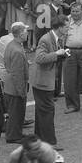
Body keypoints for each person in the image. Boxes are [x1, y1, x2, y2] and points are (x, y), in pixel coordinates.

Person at [28, 18, 65, 146]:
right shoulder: (45, 39)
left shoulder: (55, 38)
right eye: (66, 27)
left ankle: (39, 139)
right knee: (47, 111)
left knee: (42, 111)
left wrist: (62, 55)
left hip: (45, 80)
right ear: (59, 27)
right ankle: (48, 143)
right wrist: (57, 53)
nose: (67, 29)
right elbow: (39, 58)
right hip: (42, 82)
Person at [0, 22, 30, 141]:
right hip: (15, 88)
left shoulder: (11, 45)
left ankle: (16, 133)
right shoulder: (17, 50)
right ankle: (13, 136)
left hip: (10, 85)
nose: (27, 34)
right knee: (16, 113)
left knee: (14, 112)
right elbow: (17, 74)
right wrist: (21, 91)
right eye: (26, 32)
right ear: (21, 34)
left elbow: (8, 65)